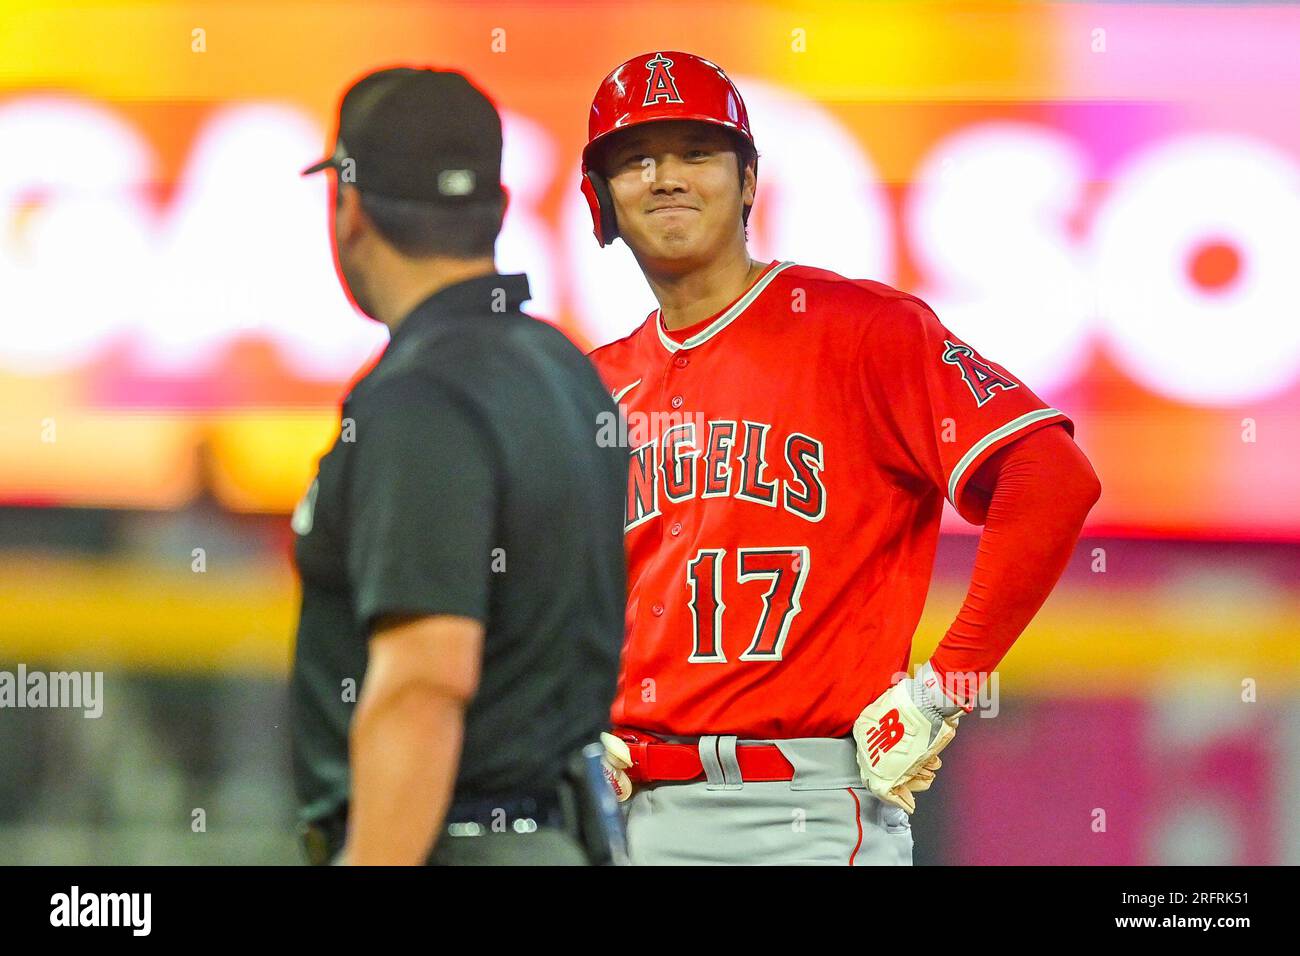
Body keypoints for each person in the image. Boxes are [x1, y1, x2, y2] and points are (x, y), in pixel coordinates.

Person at [582, 51, 1102, 865]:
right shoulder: (592, 385)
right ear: (601, 196)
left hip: (813, 812)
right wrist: (571, 718)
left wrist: (948, 684)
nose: (667, 177)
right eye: (637, 159)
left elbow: (1052, 478)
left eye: (697, 152)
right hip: (633, 816)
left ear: (748, 181)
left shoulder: (862, 331)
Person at [289, 67, 627, 865]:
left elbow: (425, 681)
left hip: (450, 845)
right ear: (498, 208)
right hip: (555, 839)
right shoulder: (566, 371)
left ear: (350, 208)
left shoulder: (420, 396)